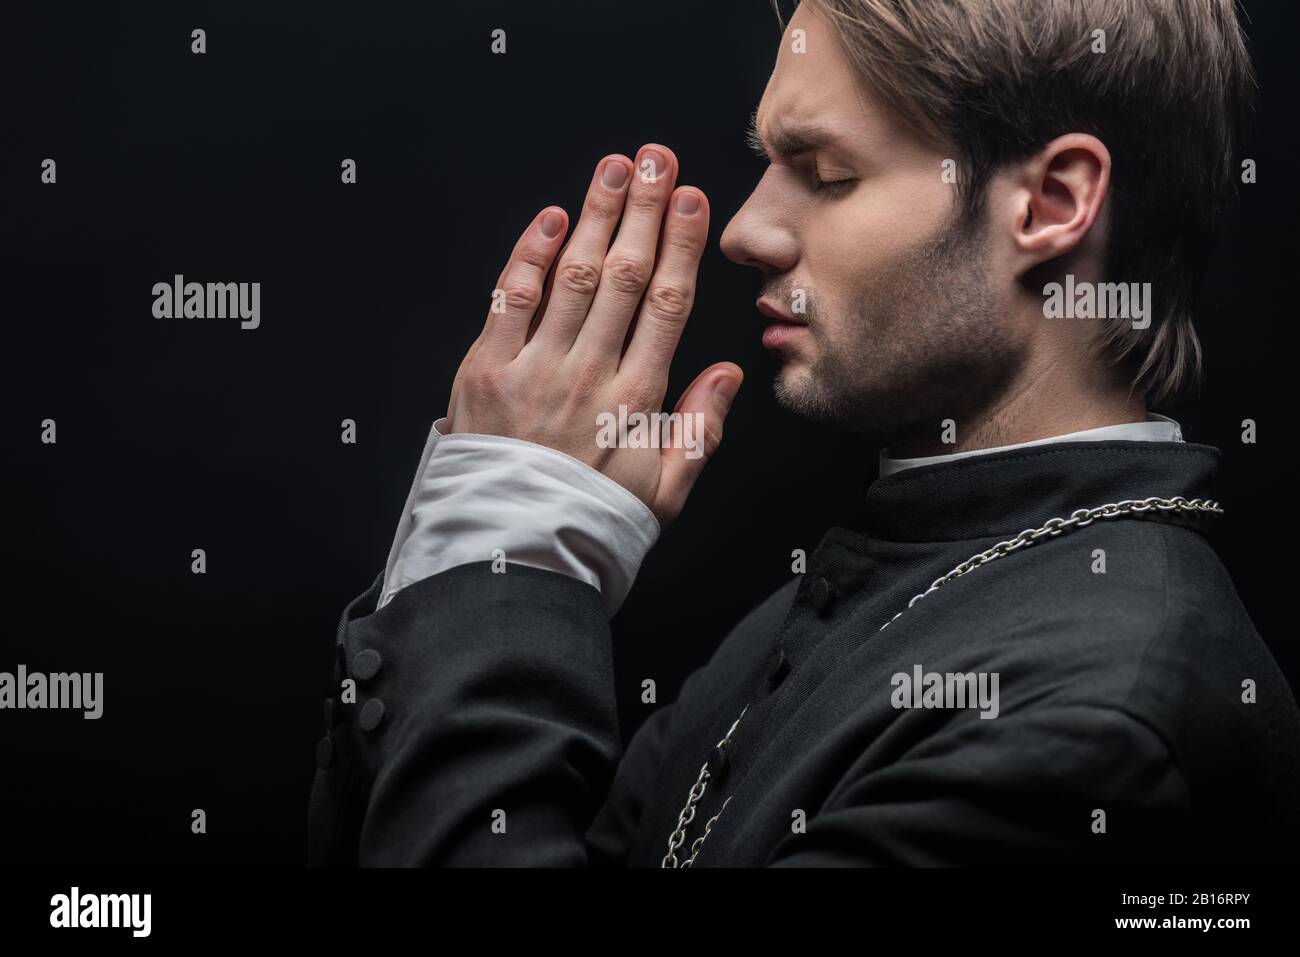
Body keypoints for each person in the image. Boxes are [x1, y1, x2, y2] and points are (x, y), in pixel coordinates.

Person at [308, 0, 1300, 866]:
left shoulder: (1096, 723)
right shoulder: (855, 590)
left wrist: (504, 568)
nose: (746, 229)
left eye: (823, 173)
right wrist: (455, 566)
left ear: (1049, 203)